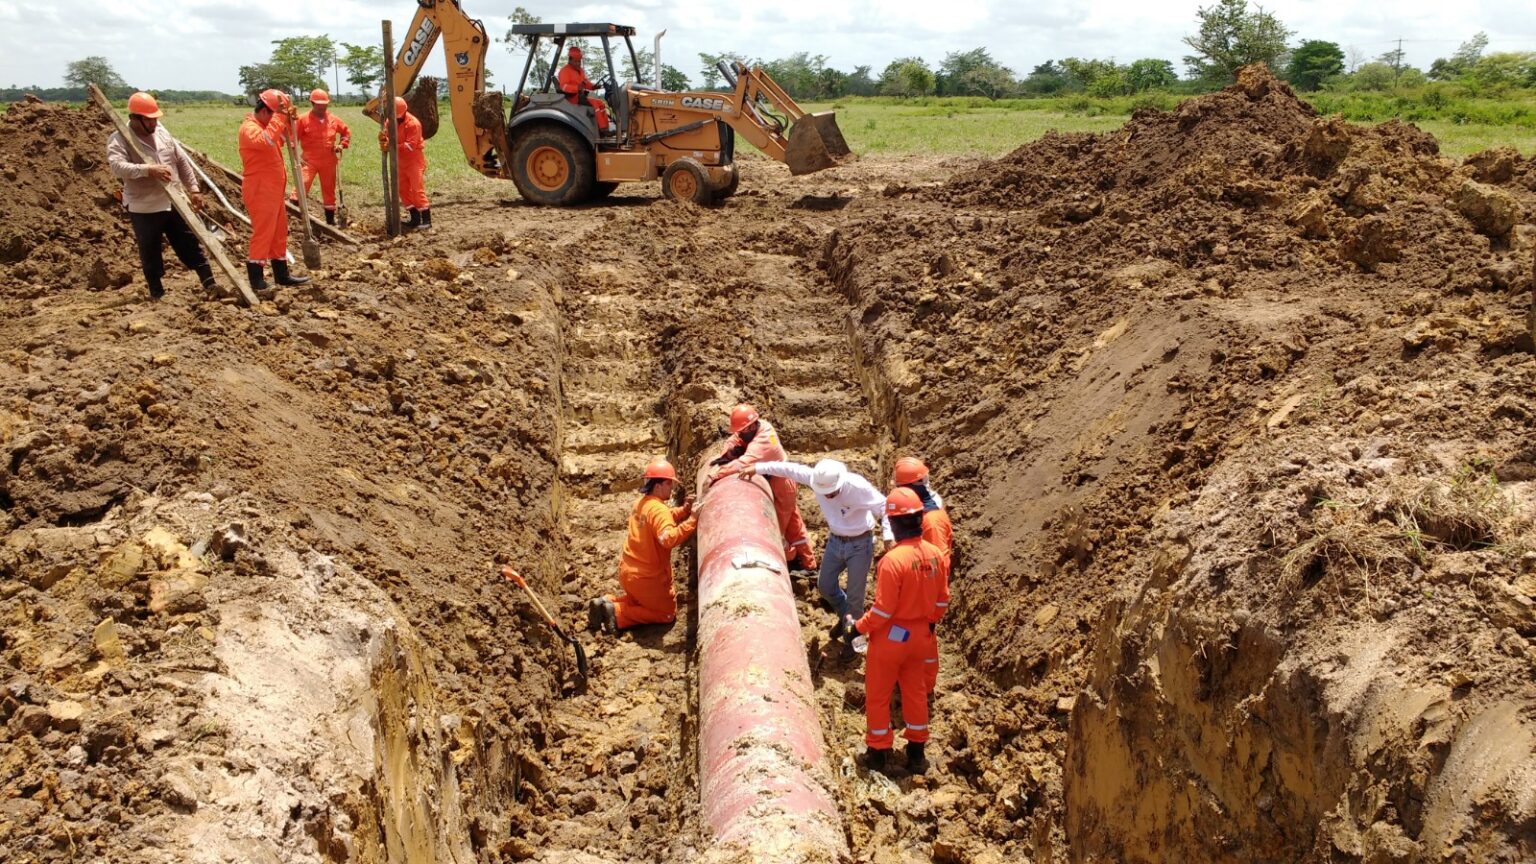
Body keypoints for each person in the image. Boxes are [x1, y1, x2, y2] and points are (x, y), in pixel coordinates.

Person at [741, 458, 892, 661]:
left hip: (860, 544)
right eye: (825, 492)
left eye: (832, 492)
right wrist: (757, 468)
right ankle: (845, 617)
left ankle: (853, 640)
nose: (828, 495)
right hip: (835, 541)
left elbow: (884, 506)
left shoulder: (856, 486)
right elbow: (788, 469)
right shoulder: (815, 479)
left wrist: (889, 536)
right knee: (825, 586)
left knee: (856, 597)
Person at [854, 488, 949, 775]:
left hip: (891, 639)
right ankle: (917, 754)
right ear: (920, 519)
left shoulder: (892, 561)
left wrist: (857, 628)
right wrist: (929, 622)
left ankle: (878, 752)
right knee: (915, 692)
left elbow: (882, 611)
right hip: (922, 636)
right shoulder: (935, 555)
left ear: (893, 523)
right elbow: (943, 599)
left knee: (879, 694)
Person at [105, 92, 216, 300]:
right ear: (136, 119)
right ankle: (157, 294)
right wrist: (148, 169)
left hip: (174, 201)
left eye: (156, 118)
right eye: (149, 119)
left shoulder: (162, 132)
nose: (154, 122)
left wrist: (194, 189)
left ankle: (210, 285)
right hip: (144, 206)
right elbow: (117, 167)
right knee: (150, 252)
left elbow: (182, 161)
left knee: (190, 244)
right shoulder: (119, 139)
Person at [589, 456, 697, 633]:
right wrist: (693, 519)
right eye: (669, 483)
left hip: (628, 573)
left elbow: (661, 517)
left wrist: (684, 510)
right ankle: (618, 614)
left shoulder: (642, 503)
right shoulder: (658, 509)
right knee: (666, 613)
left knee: (640, 601)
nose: (672, 487)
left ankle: (605, 603)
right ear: (658, 485)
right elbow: (668, 539)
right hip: (648, 578)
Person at [707, 404, 816, 572]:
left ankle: (788, 560)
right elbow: (735, 438)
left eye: (743, 430)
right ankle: (809, 564)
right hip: (779, 480)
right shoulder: (760, 426)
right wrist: (727, 452)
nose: (741, 434)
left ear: (751, 426)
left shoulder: (764, 440)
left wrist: (716, 475)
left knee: (775, 527)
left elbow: (744, 463)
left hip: (782, 484)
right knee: (794, 523)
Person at [238, 89, 310, 294]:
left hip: (273, 189)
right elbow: (266, 141)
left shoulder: (266, 125)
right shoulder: (249, 128)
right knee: (264, 233)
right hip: (260, 189)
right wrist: (280, 117)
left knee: (279, 232)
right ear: (265, 111)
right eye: (275, 114)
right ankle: (256, 278)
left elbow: (284, 139)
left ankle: (281, 274)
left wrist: (289, 122)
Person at [893, 456, 953, 692]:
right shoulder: (924, 515)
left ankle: (924, 687)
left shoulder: (932, 521)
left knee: (924, 643)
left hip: (924, 596)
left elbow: (940, 564)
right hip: (918, 590)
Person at [292, 88, 350, 225]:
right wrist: (296, 157)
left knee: (329, 192)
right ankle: (291, 216)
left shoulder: (334, 120)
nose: (322, 107)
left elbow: (346, 133)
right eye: (319, 104)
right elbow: (292, 139)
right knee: (301, 186)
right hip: (309, 161)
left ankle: (330, 222)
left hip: (329, 161)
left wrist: (342, 144)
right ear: (312, 103)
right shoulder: (302, 119)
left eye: (324, 104)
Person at [379, 96, 430, 230]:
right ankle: (414, 218)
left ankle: (426, 220)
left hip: (414, 160)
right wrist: (383, 140)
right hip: (399, 161)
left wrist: (391, 145)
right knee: (402, 190)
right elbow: (387, 137)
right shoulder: (390, 121)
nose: (396, 119)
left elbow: (409, 146)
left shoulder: (413, 124)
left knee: (416, 190)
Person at [557, 45, 612, 133]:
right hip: (572, 99)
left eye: (579, 61)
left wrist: (594, 86)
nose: (578, 63)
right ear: (570, 60)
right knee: (595, 104)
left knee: (601, 103)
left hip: (581, 97)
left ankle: (606, 127)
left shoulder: (580, 71)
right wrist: (576, 88)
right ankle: (602, 129)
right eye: (576, 61)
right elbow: (563, 87)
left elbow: (586, 83)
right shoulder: (564, 71)